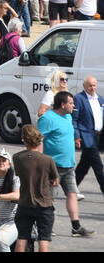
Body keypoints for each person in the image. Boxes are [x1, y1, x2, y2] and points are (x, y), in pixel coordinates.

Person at [37, 90, 92, 236]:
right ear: (62, 104)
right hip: (52, 166)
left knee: (72, 194)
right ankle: (46, 227)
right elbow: (37, 139)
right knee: (49, 198)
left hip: (68, 165)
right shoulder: (47, 118)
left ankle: (76, 227)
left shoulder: (68, 116)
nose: (73, 105)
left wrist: (75, 139)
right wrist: (39, 161)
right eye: (71, 103)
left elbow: (68, 132)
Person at [13, 125, 59, 252]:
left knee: (22, 237)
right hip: (44, 204)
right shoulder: (48, 160)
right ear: (39, 140)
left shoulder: (17, 158)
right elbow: (55, 181)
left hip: (24, 203)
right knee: (43, 239)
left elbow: (18, 173)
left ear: (23, 139)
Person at [74, 75, 104, 195]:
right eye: (90, 85)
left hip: (97, 136)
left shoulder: (100, 99)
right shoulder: (79, 98)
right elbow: (74, 120)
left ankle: (71, 187)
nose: (92, 88)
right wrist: (76, 135)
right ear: (84, 86)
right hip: (87, 135)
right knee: (98, 165)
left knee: (84, 165)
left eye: (94, 85)